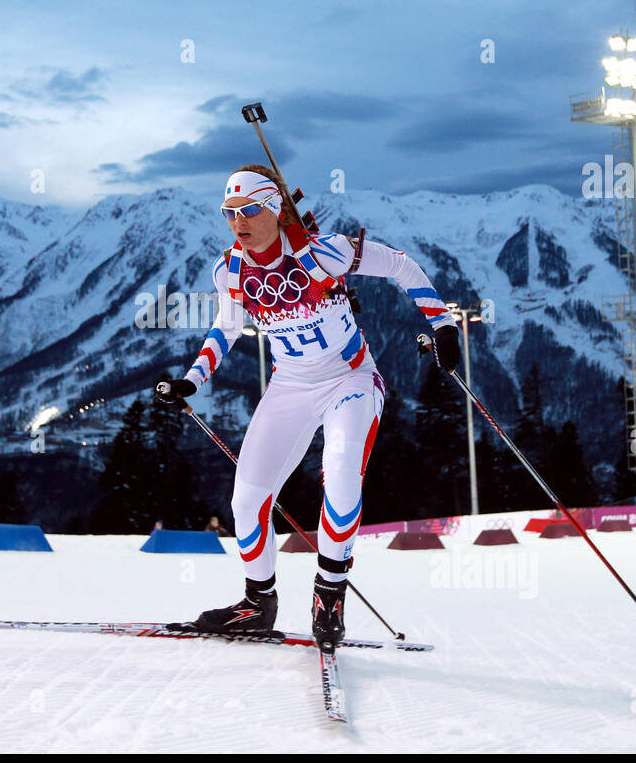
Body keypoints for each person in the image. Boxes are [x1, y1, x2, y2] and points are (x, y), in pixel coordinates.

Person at [154, 165, 460, 648]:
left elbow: (400, 265)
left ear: (274, 208)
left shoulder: (323, 253)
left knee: (338, 476)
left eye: (250, 209)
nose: (239, 222)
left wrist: (443, 324)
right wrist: (192, 381)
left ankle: (328, 597)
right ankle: (258, 605)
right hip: (290, 386)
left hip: (351, 380)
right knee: (246, 501)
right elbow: (226, 328)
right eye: (229, 212)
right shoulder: (229, 269)